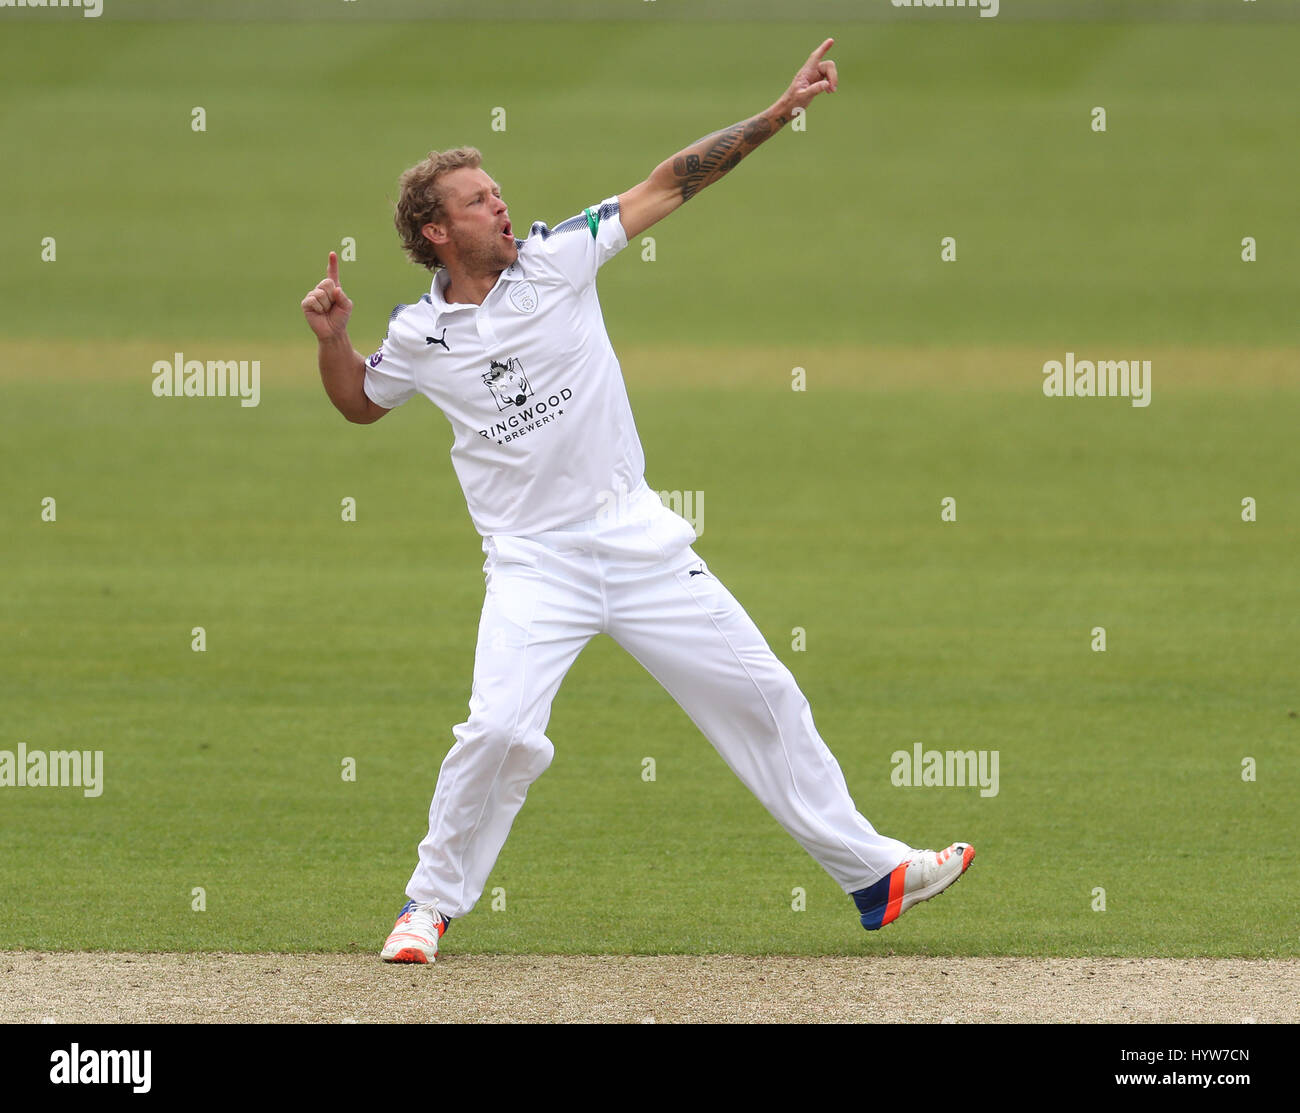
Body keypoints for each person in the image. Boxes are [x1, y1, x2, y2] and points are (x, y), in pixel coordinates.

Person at [300, 39, 974, 964]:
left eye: (495, 190)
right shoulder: (420, 333)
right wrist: (333, 339)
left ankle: (875, 874)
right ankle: (428, 907)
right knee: (498, 728)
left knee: (763, 693)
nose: (501, 202)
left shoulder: (558, 258)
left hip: (636, 541)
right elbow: (359, 403)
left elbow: (668, 182)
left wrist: (777, 115)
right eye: (477, 200)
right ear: (436, 235)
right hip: (533, 564)